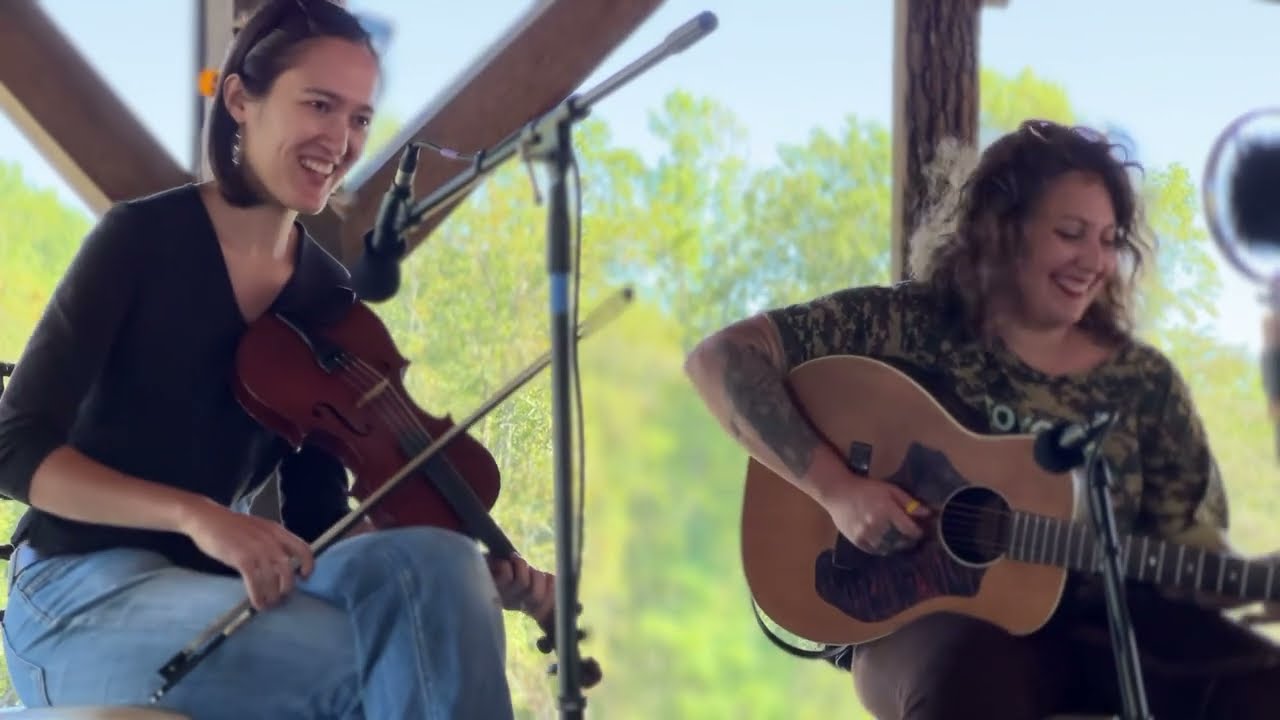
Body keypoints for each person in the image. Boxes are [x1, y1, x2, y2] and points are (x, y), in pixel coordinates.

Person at [0, 1, 550, 718]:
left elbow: (318, 519)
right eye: (319, 105)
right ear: (240, 100)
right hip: (75, 595)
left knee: (441, 567)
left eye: (359, 117)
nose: (341, 140)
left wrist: (467, 591)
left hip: (217, 590)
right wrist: (198, 516)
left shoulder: (326, 296)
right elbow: (15, 447)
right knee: (370, 662)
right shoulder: (141, 238)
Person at [684, 119, 1280, 719]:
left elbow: (1185, 542)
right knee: (962, 680)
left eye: (1108, 239)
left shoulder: (1144, 382)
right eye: (1070, 233)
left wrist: (1245, 578)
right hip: (928, 626)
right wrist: (839, 490)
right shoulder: (905, 323)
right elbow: (720, 359)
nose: (1094, 261)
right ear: (1001, 230)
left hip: (1108, 628)